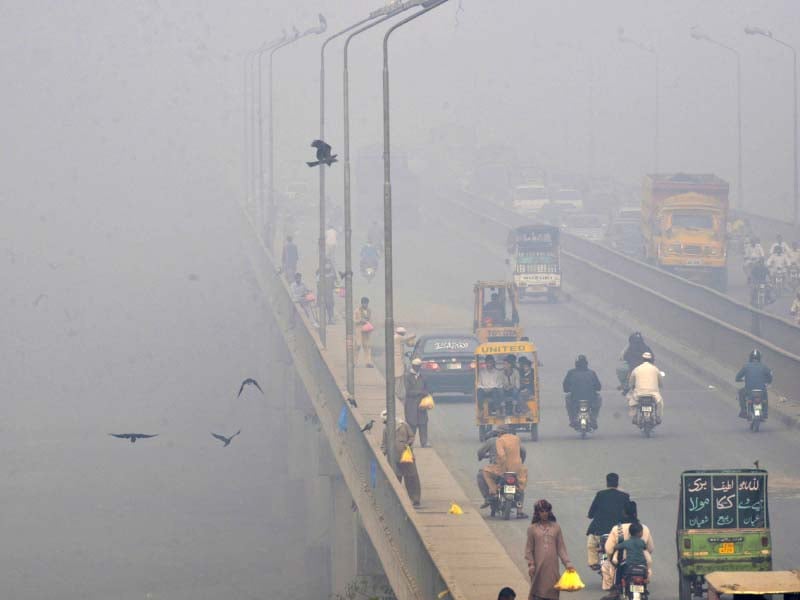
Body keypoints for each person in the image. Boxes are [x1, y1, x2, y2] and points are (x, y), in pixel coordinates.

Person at [602, 501, 654, 599]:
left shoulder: (616, 529)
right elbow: (650, 548)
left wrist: (611, 558)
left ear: (624, 513)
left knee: (606, 567)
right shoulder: (644, 528)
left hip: (622, 562)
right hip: (642, 564)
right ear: (636, 513)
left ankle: (615, 590)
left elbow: (608, 549)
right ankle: (644, 587)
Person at [525, 499, 574, 600]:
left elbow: (561, 548)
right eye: (542, 511)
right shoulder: (532, 529)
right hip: (538, 568)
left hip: (552, 567)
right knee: (538, 591)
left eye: (546, 511)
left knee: (553, 590)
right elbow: (529, 549)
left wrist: (567, 563)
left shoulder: (556, 527)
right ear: (537, 513)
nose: (544, 513)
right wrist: (531, 564)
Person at [477, 424, 528, 518]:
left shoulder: (497, 440)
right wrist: (520, 464)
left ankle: (491, 495)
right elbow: (523, 452)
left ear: (499, 433)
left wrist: (502, 465)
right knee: (520, 488)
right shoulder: (516, 439)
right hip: (517, 469)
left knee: (483, 473)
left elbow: (501, 455)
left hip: (501, 468)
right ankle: (520, 511)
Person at [586, 473, 630, 572]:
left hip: (600, 531)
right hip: (619, 532)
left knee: (591, 545)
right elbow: (629, 514)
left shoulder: (600, 494)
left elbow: (591, 513)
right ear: (617, 483)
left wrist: (590, 515)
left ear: (607, 483)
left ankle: (593, 563)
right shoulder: (625, 496)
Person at [380, 409, 420, 507]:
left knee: (411, 478)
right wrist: (382, 453)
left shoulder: (404, 425)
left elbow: (411, 436)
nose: (385, 423)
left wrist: (408, 444)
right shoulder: (386, 430)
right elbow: (384, 444)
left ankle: (415, 499)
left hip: (407, 457)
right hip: (394, 458)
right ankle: (394, 501)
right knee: (395, 480)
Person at [562, 355, 602, 429]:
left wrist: (568, 390)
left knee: (567, 397)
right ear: (586, 363)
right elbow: (598, 387)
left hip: (575, 399)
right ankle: (593, 419)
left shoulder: (571, 373)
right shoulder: (592, 373)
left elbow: (565, 386)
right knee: (599, 398)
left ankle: (572, 419)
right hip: (591, 399)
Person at [627, 352, 663, 424]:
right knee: (660, 403)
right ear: (651, 360)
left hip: (639, 392)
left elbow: (631, 381)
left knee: (632, 401)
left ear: (642, 359)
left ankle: (634, 416)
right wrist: (660, 386)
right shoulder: (655, 369)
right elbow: (660, 381)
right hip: (653, 393)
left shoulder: (637, 369)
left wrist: (631, 387)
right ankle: (658, 417)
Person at [735, 349, 773, 419]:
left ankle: (743, 410)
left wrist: (741, 379)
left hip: (749, 390)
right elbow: (770, 377)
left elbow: (737, 377)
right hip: (761, 390)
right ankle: (765, 413)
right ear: (759, 358)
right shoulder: (764, 367)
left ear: (750, 357)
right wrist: (768, 382)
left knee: (741, 392)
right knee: (765, 397)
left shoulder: (746, 366)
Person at [404, 358, 430, 447]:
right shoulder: (407, 377)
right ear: (413, 366)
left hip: (421, 404)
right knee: (412, 424)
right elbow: (408, 391)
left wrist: (425, 393)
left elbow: (427, 389)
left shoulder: (423, 377)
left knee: (423, 423)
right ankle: (410, 443)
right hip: (411, 404)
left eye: (419, 366)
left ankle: (424, 442)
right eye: (416, 366)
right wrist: (420, 392)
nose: (417, 368)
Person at [393, 326, 416, 400]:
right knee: (398, 378)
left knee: (400, 378)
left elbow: (409, 344)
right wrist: (413, 335)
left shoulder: (398, 338)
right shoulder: (397, 337)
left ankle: (399, 393)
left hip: (399, 361)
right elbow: (406, 338)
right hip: (397, 361)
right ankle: (396, 393)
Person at [354, 296, 374, 367]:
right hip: (359, 330)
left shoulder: (369, 310)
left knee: (367, 346)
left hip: (367, 331)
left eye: (366, 303)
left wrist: (371, 326)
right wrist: (360, 320)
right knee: (358, 346)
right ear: (362, 303)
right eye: (364, 303)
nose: (365, 305)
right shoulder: (357, 310)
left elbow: (370, 320)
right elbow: (354, 321)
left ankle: (368, 362)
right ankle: (354, 362)